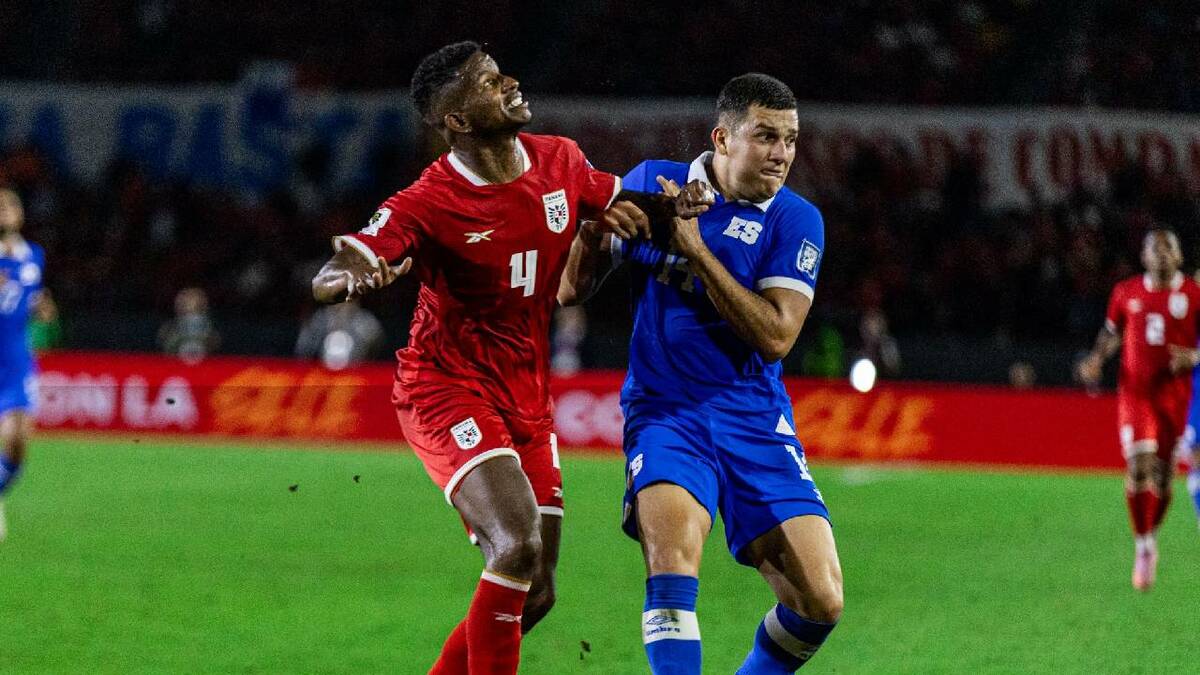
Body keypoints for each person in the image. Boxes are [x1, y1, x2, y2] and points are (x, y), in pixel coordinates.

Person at [310, 41, 676, 674]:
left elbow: (618, 199)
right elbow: (350, 259)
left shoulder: (560, 161)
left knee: (535, 592)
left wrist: (671, 205)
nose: (506, 81)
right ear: (456, 120)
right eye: (484, 83)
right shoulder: (428, 200)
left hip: (526, 396)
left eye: (499, 70)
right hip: (445, 388)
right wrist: (347, 274)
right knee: (514, 545)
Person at [559, 73, 842, 673]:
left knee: (820, 602)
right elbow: (569, 292)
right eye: (766, 136)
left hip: (755, 419)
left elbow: (775, 337)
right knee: (673, 566)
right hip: (666, 413)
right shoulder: (650, 183)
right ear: (722, 137)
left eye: (790, 139)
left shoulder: (796, 221)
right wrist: (591, 236)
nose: (782, 153)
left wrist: (696, 251)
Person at [1078, 228, 1200, 592]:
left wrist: (1194, 357)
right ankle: (1143, 544)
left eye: (1168, 249)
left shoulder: (1193, 295)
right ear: (1144, 257)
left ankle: (1152, 538)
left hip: (1175, 396)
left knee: (1163, 478)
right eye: (1154, 249)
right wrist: (1097, 359)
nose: (1161, 254)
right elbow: (1111, 332)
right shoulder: (1125, 292)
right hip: (1135, 394)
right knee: (1138, 464)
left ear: (1179, 257)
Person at [0, 185, 47, 541]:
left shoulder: (34, 256)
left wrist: (42, 307)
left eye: (11, 203)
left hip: (19, 363)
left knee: (18, 446)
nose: (5, 209)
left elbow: (32, 300)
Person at [294, 299, 385, 370]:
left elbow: (376, 350)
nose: (341, 305)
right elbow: (304, 350)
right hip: (323, 375)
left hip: (356, 376)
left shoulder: (365, 322)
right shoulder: (319, 320)